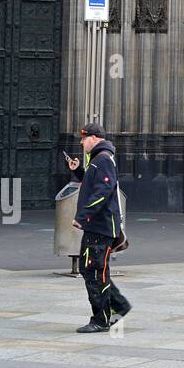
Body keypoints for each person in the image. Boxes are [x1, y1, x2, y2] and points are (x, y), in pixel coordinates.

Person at [68, 122, 131, 333]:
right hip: (98, 226)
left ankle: (102, 319)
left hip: (100, 226)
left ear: (94, 138)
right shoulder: (98, 159)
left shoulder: (102, 159)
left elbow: (103, 192)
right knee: (93, 270)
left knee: (95, 272)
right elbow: (92, 183)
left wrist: (82, 216)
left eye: (84, 138)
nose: (81, 142)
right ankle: (119, 306)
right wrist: (79, 172)